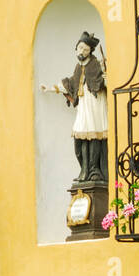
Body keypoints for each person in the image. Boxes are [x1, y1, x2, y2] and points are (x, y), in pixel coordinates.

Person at [41, 31, 108, 184]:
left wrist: (106, 77)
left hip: (95, 108)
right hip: (84, 109)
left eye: (85, 49)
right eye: (80, 48)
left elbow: (104, 83)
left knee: (93, 139)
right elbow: (70, 84)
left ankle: (93, 172)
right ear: (76, 49)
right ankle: (84, 170)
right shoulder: (78, 68)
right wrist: (50, 88)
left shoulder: (97, 64)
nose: (82, 51)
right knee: (79, 141)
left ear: (90, 50)